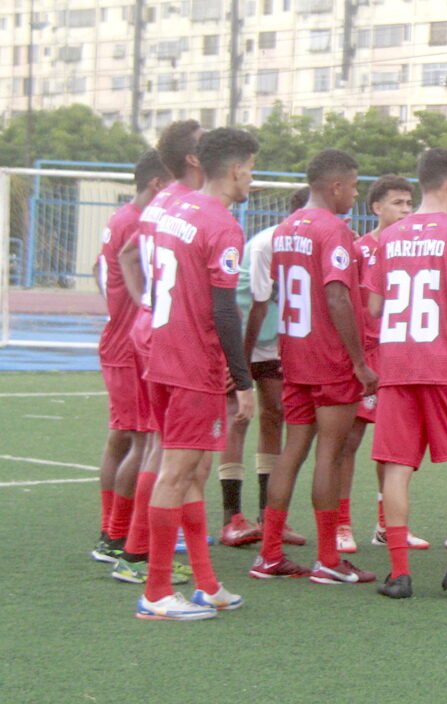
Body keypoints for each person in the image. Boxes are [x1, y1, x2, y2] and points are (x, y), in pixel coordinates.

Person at [136, 127, 259, 620]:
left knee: (195, 471)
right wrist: (243, 380)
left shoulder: (173, 206)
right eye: (251, 167)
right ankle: (157, 592)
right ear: (235, 169)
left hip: (160, 353)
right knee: (178, 472)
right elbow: (224, 308)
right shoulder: (222, 223)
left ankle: (206, 582)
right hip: (191, 364)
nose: (252, 177)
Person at [367, 148, 447, 599]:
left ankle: (398, 574)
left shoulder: (389, 235)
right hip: (445, 365)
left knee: (398, 467)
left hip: (397, 365)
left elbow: (376, 306)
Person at [248, 149, 378, 585]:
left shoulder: (285, 229)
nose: (355, 195)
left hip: (294, 355)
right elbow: (338, 295)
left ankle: (269, 555)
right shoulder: (333, 229)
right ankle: (328, 559)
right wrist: (359, 361)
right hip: (329, 359)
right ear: (336, 185)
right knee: (332, 452)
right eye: (355, 186)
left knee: (293, 448)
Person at [111, 120, 207, 585]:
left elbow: (129, 254)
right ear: (194, 159)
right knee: (175, 452)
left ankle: (142, 548)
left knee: (163, 446)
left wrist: (145, 300)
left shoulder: (161, 202)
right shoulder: (191, 206)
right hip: (176, 341)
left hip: (153, 332)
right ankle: (141, 553)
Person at [336, 175, 430, 553]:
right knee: (350, 441)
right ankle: (342, 524)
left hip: (400, 359)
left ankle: (384, 525)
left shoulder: (418, 249)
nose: (406, 210)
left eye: (409, 203)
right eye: (398, 203)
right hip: (364, 356)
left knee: (394, 447)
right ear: (376, 208)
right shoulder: (359, 250)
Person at [219, 187, 312, 548]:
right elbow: (257, 306)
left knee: (275, 414)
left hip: (274, 339)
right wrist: (239, 365)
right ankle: (232, 518)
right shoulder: (265, 245)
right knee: (238, 416)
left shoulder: (314, 243)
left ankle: (268, 516)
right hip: (243, 337)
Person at [90, 150, 170, 565]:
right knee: (142, 441)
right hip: (129, 349)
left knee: (122, 437)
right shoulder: (135, 222)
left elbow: (96, 267)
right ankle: (118, 534)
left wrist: (121, 304)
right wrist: (142, 308)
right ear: (158, 184)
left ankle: (111, 528)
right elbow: (118, 263)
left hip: (121, 343)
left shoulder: (121, 219)